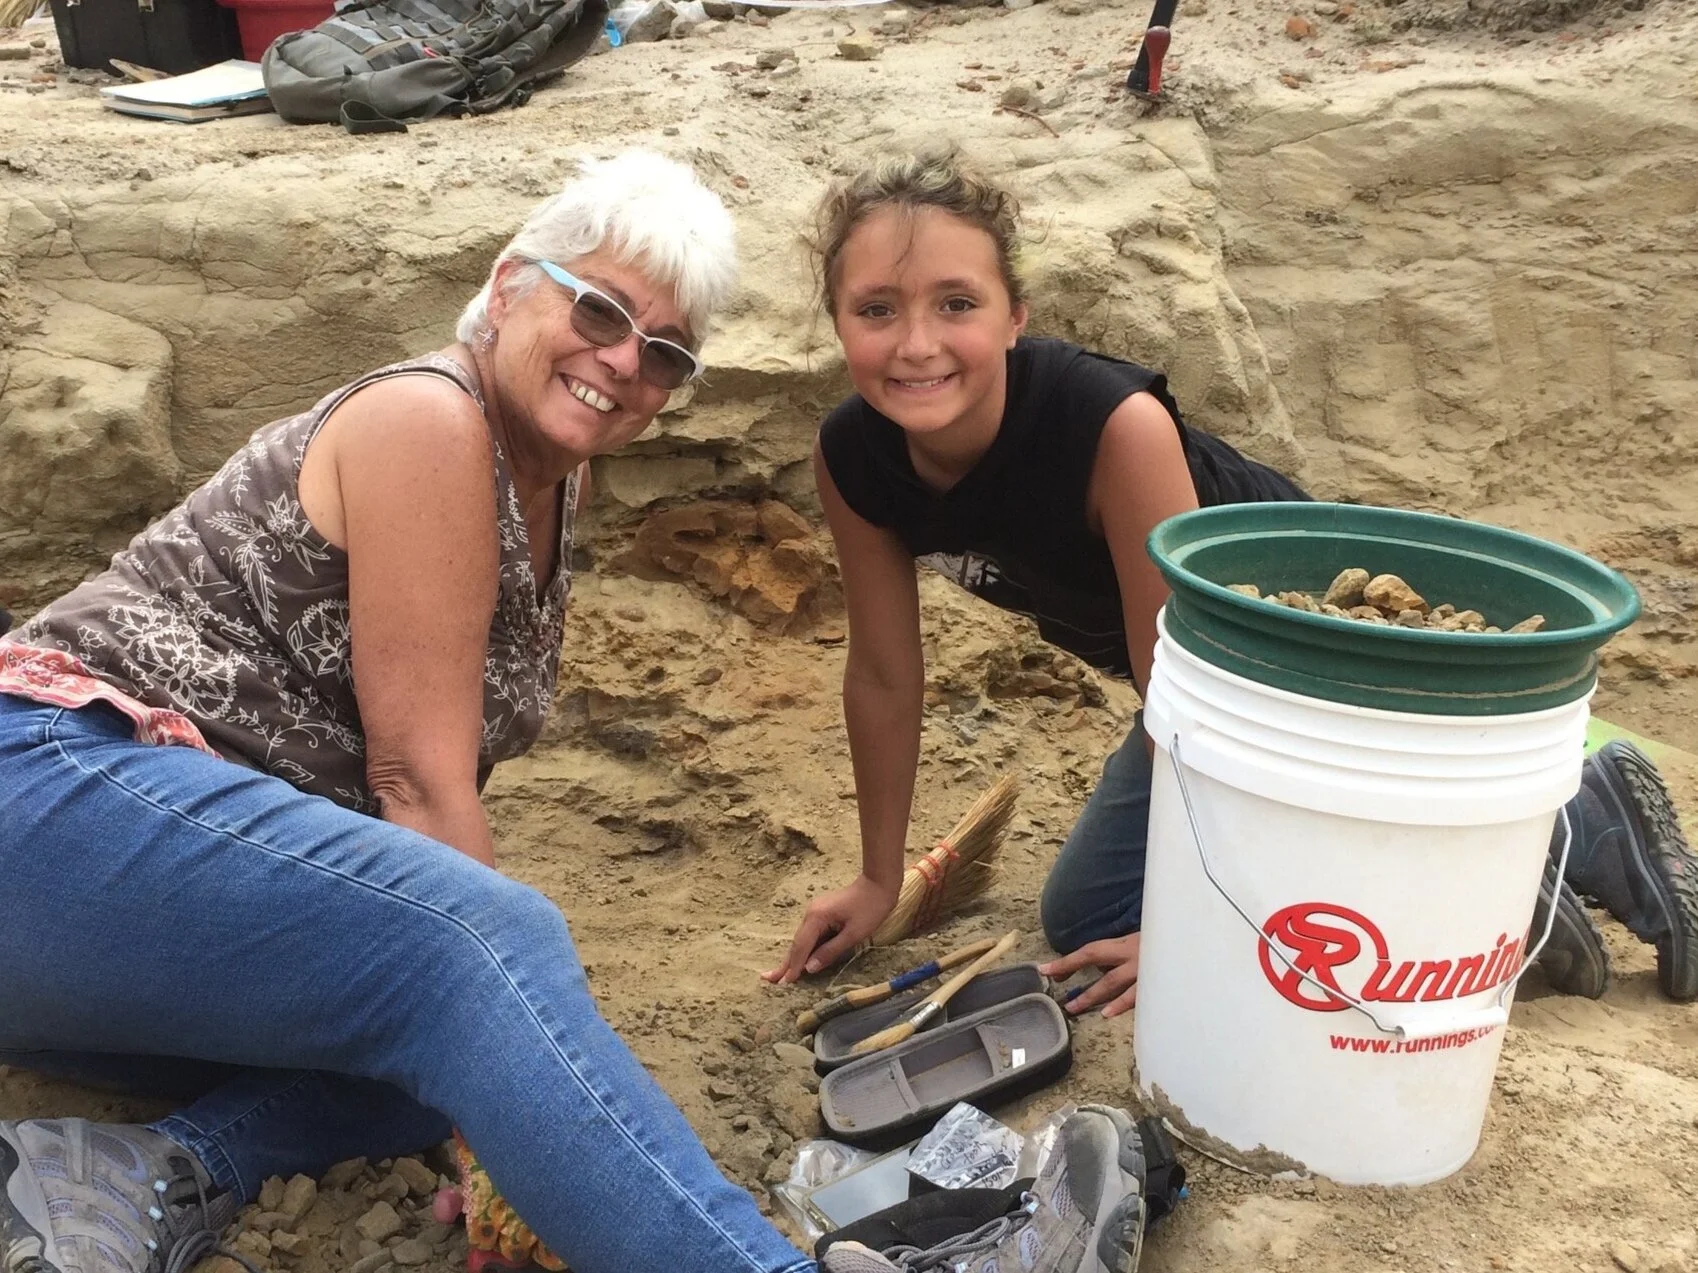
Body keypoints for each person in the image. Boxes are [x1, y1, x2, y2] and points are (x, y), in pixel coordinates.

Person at [0, 151, 819, 1273]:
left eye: (667, 354)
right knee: (491, 956)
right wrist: (503, 1149)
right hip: (49, 790)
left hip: (109, 927)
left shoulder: (551, 476)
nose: (625, 361)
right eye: (599, 309)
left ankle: (151, 1166)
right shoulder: (430, 419)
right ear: (509, 284)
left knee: (462, 1053)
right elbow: (421, 791)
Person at [764, 149, 1698, 1020]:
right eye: (876, 309)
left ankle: (1573, 818)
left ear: (1016, 315)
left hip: (1314, 672)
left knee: (1171, 914)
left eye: (957, 303)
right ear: (837, 321)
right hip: (1192, 691)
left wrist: (1193, 925)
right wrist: (878, 879)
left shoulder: (1110, 426)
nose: (917, 343)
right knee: (1090, 909)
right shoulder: (853, 456)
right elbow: (884, 675)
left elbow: (1190, 687)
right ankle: (1501, 888)